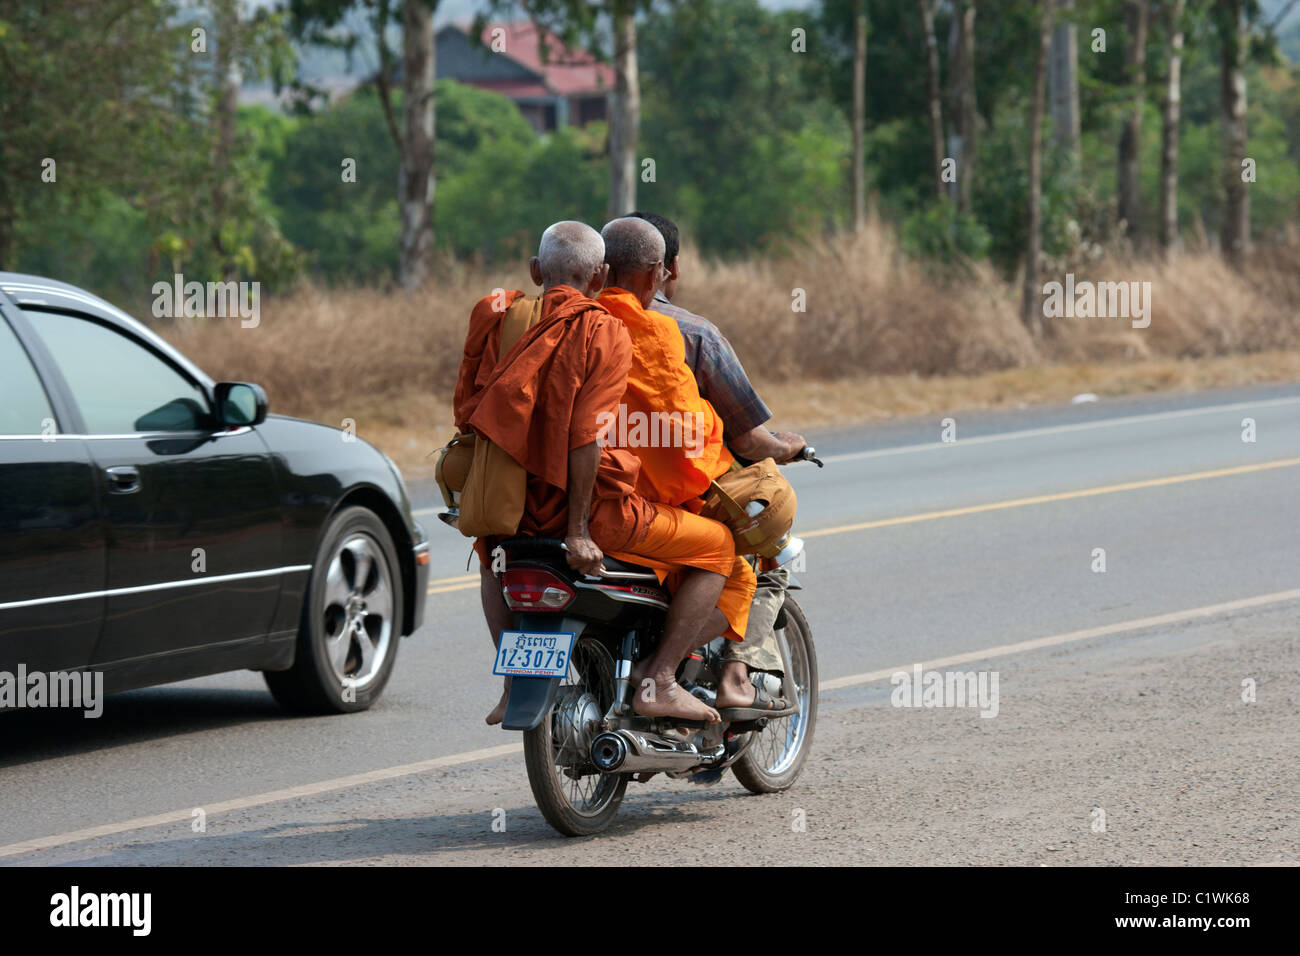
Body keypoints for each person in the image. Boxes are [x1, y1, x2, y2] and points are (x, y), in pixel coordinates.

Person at [456, 221, 747, 726]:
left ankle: (513, 684)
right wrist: (577, 532)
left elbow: (467, 411)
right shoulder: (603, 330)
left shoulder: (498, 315)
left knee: (491, 556)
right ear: (600, 276)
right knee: (719, 545)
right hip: (589, 515)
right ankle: (659, 682)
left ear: (534, 270)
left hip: (508, 508)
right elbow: (586, 436)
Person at [629, 210, 806, 716]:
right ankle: (732, 676)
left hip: (589, 503)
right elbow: (750, 440)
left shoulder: (576, 327)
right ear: (669, 269)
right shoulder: (691, 332)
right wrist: (788, 447)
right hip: (672, 507)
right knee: (757, 553)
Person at [595, 217, 765, 715]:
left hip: (541, 512)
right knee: (722, 548)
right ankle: (663, 678)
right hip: (621, 511)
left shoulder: (548, 325)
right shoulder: (666, 331)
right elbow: (683, 440)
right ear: (661, 273)